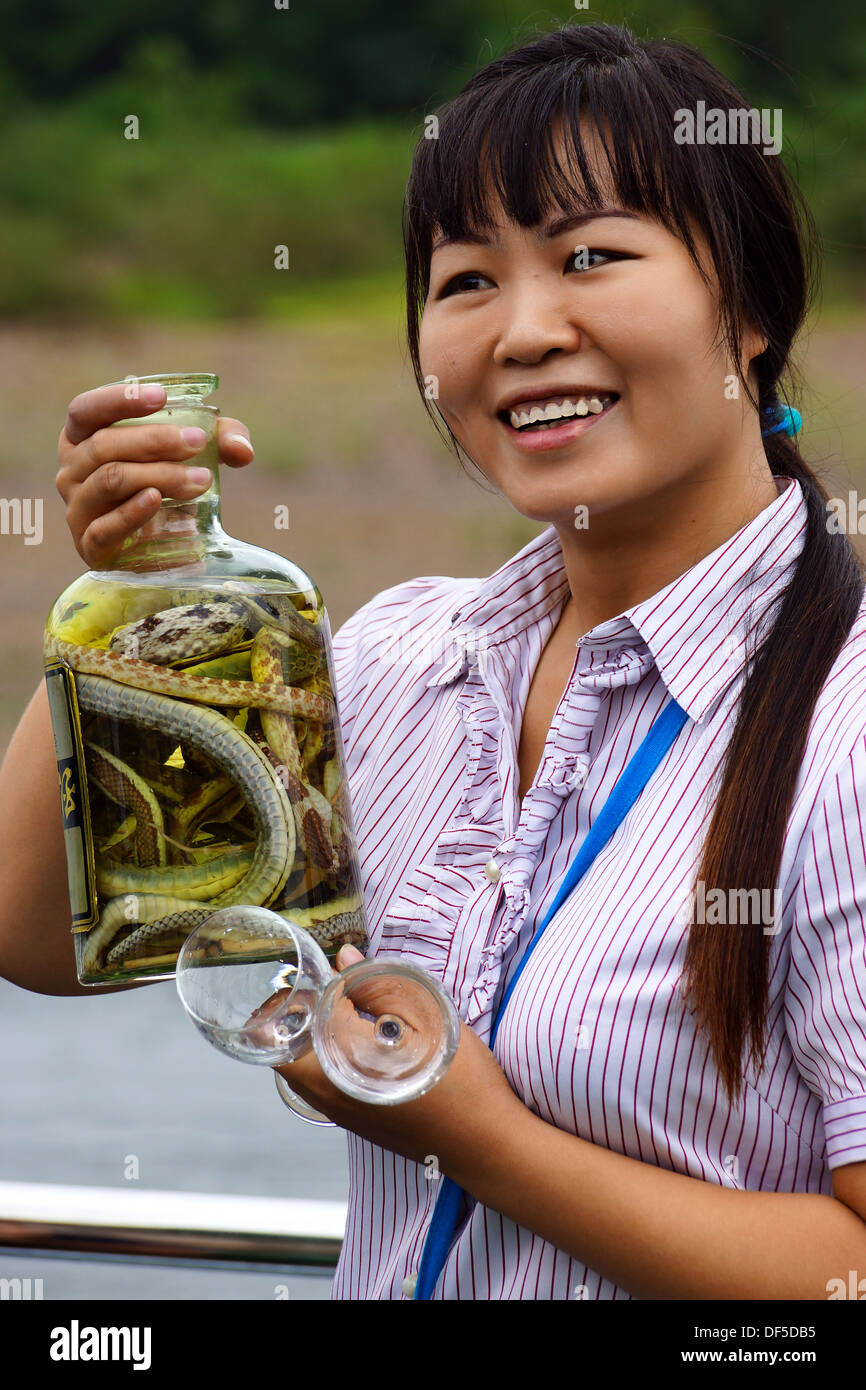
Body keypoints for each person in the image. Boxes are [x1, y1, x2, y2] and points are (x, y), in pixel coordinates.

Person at [2, 19, 866, 1300]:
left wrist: (476, 1134)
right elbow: (45, 937)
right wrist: (140, 590)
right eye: (466, 281)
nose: (520, 331)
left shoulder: (843, 721)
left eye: (590, 257)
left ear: (746, 307)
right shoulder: (404, 658)